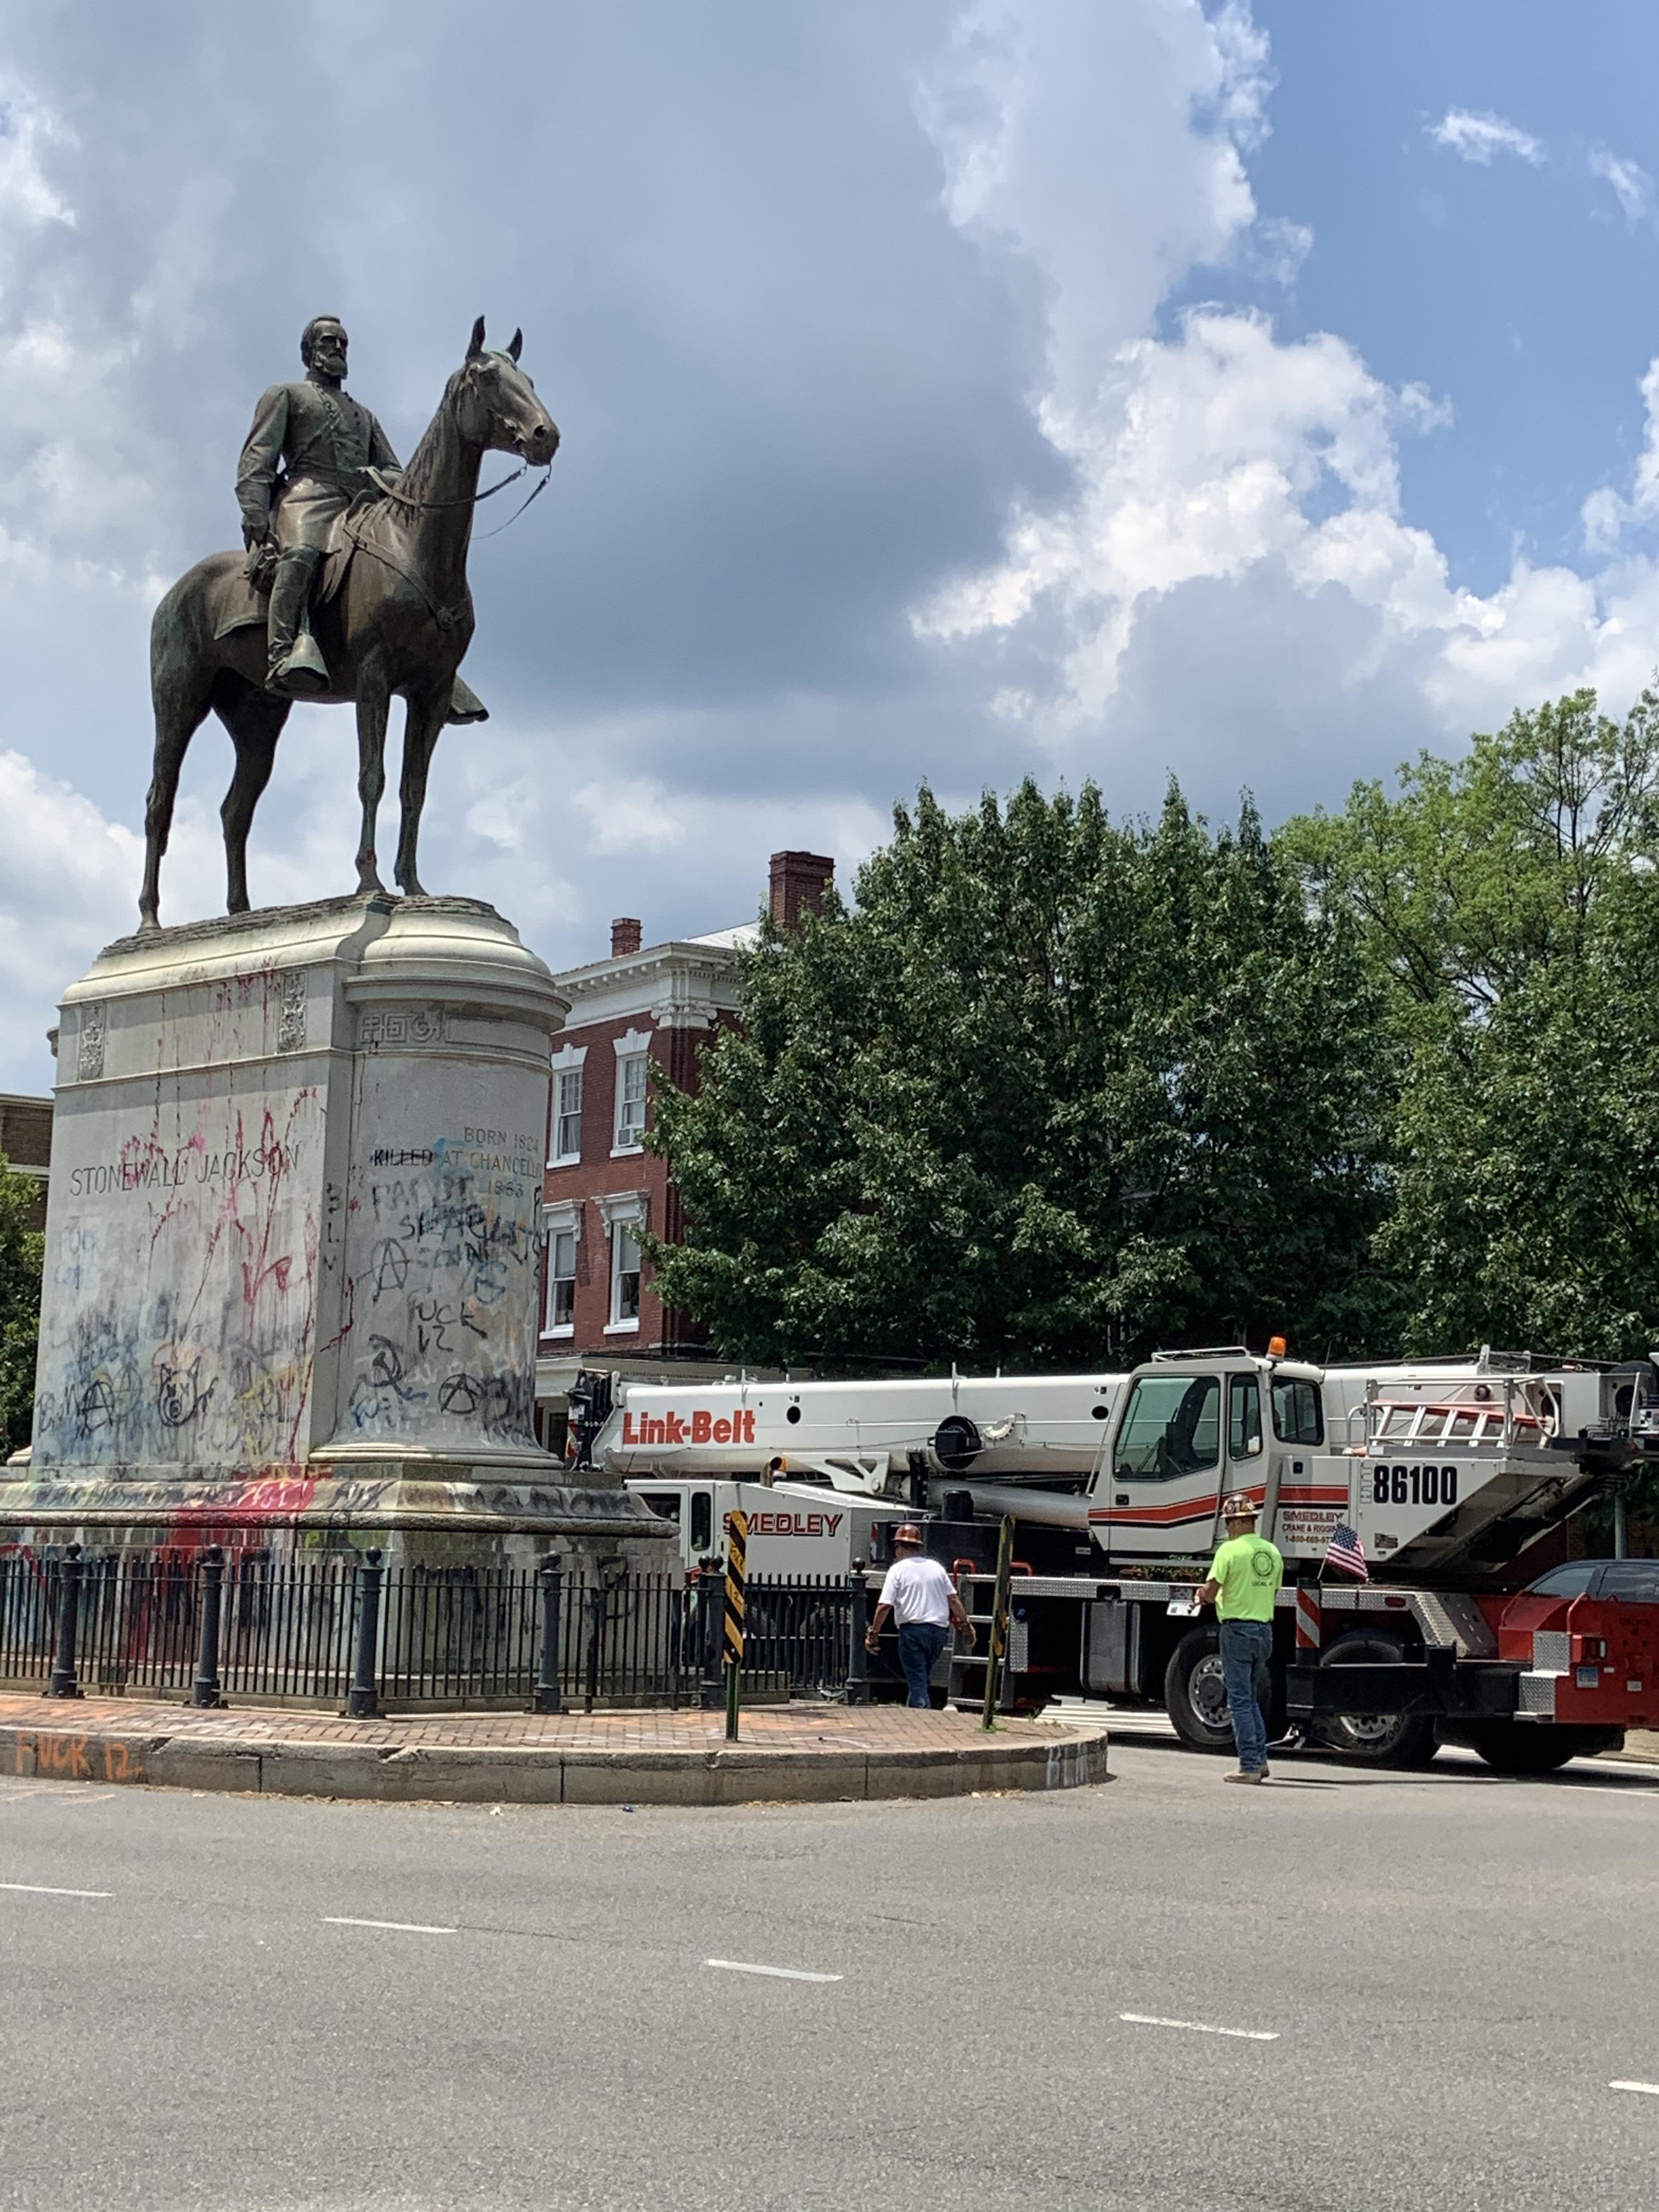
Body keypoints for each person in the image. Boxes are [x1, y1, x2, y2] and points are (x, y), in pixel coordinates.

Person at [236, 316, 402, 693]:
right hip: (306, 496)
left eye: (343, 343)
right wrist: (255, 513)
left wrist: (377, 479)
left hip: (360, 505)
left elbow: (395, 470)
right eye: (329, 341)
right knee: (301, 556)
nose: (338, 348)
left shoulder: (365, 416)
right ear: (310, 352)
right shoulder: (286, 395)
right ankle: (281, 654)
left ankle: (435, 666)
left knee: (402, 563)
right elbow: (258, 458)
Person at [1198, 1492, 1283, 1784]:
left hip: (1237, 1631)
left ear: (1235, 1523)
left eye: (1227, 1523)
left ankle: (1249, 1766)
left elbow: (1211, 1592)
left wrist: (1202, 1594)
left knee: (1239, 1702)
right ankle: (1260, 1761)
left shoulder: (1229, 1551)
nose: (1227, 1528)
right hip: (1264, 1631)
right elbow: (1272, 1591)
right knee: (1251, 1699)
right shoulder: (1272, 1552)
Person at [865, 1525, 974, 1708]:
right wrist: (966, 1625)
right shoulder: (937, 1568)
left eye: (896, 1548)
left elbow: (885, 1606)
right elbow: (954, 1600)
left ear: (900, 1548)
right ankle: (913, 1715)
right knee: (920, 1678)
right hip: (939, 1633)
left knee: (917, 1681)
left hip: (912, 1632)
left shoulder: (897, 1570)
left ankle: (924, 1716)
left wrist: (874, 1633)